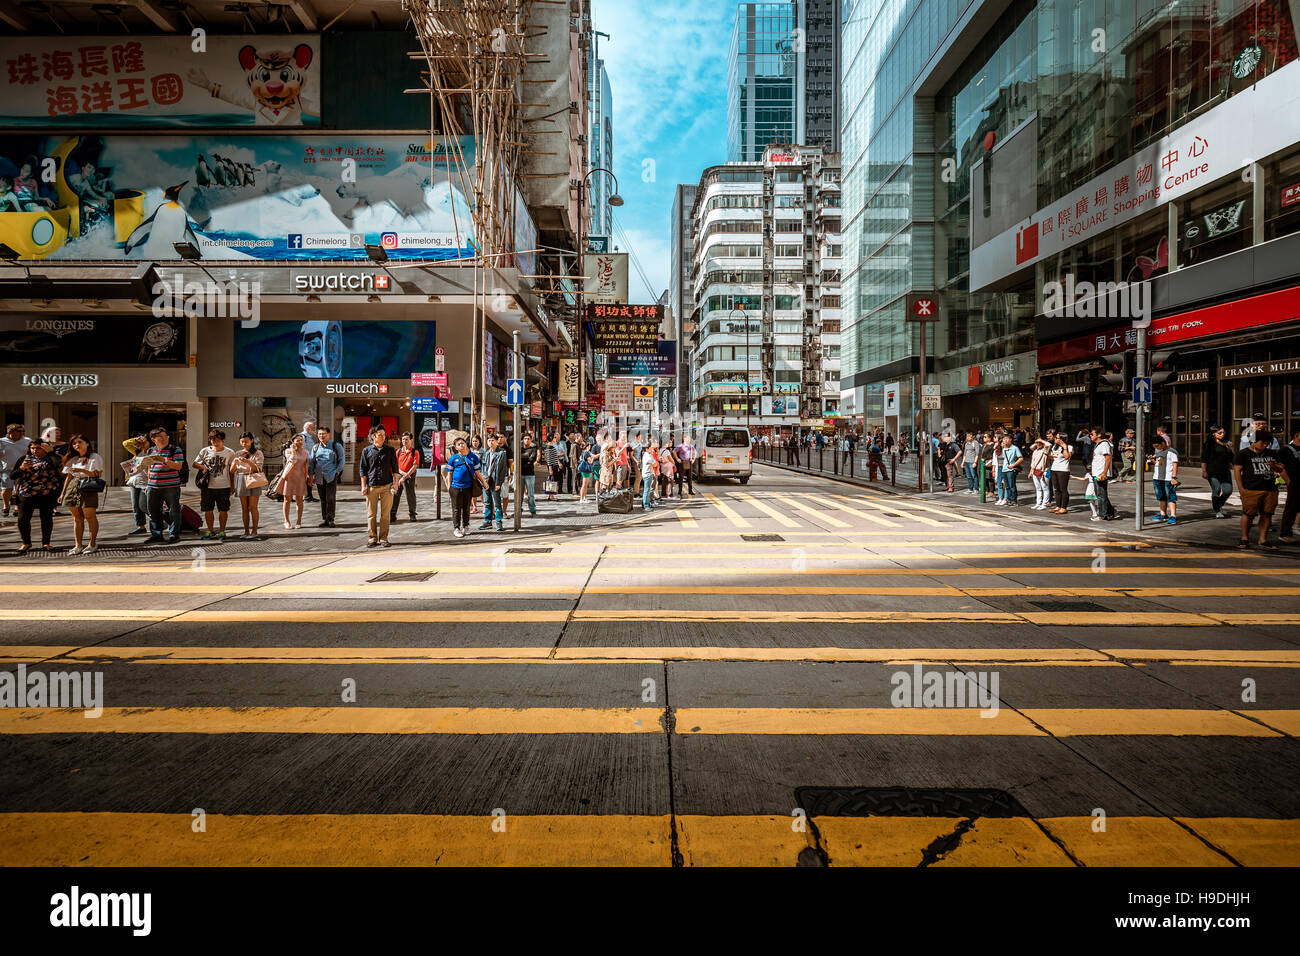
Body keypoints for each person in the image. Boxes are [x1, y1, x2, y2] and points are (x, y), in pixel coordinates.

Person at [1234, 430, 1285, 549]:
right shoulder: (1243, 454)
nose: (1265, 445)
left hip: (1270, 488)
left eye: (1268, 443)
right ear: (1254, 441)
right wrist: (1241, 489)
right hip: (1251, 488)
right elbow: (1237, 471)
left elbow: (1280, 469)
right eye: (1263, 442)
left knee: (1267, 514)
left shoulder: (1272, 453)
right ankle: (1244, 538)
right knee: (1248, 514)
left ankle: (1263, 539)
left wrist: (1273, 465)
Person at [14, 436, 61, 552]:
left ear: (45, 448)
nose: (35, 450)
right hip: (26, 493)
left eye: (38, 448)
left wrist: (51, 452)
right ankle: (26, 543)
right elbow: (12, 476)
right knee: (22, 519)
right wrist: (21, 468)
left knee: (46, 519)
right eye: (33, 448)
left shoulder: (51, 458)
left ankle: (46, 543)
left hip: (47, 494)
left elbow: (58, 464)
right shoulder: (24, 459)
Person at [59, 434, 103, 554]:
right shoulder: (72, 458)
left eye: (80, 442)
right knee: (77, 518)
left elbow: (98, 474)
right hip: (73, 486)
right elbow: (68, 477)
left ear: (87, 443)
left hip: (88, 486)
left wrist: (82, 471)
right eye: (74, 443)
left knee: (90, 516)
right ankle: (78, 545)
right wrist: (62, 493)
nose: (76, 445)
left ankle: (92, 544)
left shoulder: (95, 457)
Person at [359, 425, 398, 547]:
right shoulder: (366, 451)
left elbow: (395, 468)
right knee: (371, 514)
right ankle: (372, 538)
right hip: (372, 486)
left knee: (385, 514)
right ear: (373, 436)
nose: (383, 437)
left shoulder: (390, 450)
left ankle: (383, 538)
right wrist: (363, 486)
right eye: (380, 434)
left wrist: (396, 483)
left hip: (387, 486)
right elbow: (363, 470)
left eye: (384, 435)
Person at [144, 427, 186, 543]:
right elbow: (149, 468)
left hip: (171, 486)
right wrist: (148, 484)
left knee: (173, 511)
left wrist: (164, 460)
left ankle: (174, 535)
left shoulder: (175, 449)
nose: (163, 439)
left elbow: (178, 466)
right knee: (153, 511)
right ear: (153, 439)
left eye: (165, 436)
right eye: (160, 437)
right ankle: (157, 535)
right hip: (153, 486)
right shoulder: (150, 451)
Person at [193, 428, 236, 541]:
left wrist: (232, 486)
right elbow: (195, 463)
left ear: (222, 440)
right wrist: (203, 467)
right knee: (208, 509)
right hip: (207, 486)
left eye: (217, 440)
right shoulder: (205, 451)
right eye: (212, 440)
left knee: (223, 510)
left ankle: (222, 531)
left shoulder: (230, 452)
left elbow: (231, 471)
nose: (214, 442)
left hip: (224, 486)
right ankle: (210, 531)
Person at [443, 437, 485, 538]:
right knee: (456, 508)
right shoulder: (453, 458)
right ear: (456, 447)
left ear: (466, 444)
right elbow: (450, 474)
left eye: (462, 443)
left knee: (466, 508)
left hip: (468, 487)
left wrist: (484, 482)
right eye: (459, 444)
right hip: (455, 487)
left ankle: (466, 526)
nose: (461, 445)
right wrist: (449, 486)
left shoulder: (473, 457)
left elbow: (477, 472)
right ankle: (456, 528)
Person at [231, 433, 265, 539]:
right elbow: (232, 471)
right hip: (241, 479)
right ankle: (246, 531)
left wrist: (248, 462)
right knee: (244, 508)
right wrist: (235, 463)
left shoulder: (258, 453)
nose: (244, 443)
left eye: (246, 441)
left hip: (253, 479)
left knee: (252, 507)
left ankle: (254, 532)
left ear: (252, 440)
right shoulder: (238, 453)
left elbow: (258, 469)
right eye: (242, 441)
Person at [308, 426, 343, 528]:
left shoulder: (336, 446)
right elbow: (311, 462)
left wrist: (337, 471)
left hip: (331, 474)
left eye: (324, 434)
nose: (321, 436)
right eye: (319, 434)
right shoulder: (315, 447)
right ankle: (325, 519)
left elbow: (341, 459)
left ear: (329, 434)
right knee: (322, 498)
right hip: (319, 474)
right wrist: (310, 475)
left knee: (330, 498)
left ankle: (331, 519)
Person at [275, 433, 310, 530]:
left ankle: (299, 521)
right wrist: (293, 451)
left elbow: (307, 465)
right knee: (287, 500)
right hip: (289, 477)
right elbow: (292, 461)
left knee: (299, 500)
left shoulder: (306, 452)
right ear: (293, 442)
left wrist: (309, 477)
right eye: (297, 440)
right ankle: (286, 521)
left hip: (300, 478)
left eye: (301, 440)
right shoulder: (287, 451)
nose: (300, 441)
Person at [120, 433, 153, 535]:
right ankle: (141, 526)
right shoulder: (137, 452)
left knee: (143, 505)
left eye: (144, 442)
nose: (141, 444)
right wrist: (136, 439)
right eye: (140, 443)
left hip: (145, 482)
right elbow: (125, 444)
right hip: (133, 481)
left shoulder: (152, 453)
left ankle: (159, 520)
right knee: (135, 506)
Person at [1201, 425, 1235, 519]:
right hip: (1212, 472)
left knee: (1228, 491)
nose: (1222, 434)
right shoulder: (1208, 444)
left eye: (1223, 432)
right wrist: (1204, 471)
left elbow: (1232, 458)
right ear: (1213, 434)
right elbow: (1204, 459)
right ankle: (1217, 510)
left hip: (1225, 471)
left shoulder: (1227, 443)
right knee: (1216, 489)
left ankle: (1218, 504)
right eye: (1219, 433)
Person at [479, 433, 509, 531]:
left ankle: (499, 522)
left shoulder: (501, 453)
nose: (490, 442)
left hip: (495, 481)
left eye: (492, 440)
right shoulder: (486, 453)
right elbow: (483, 467)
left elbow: (503, 470)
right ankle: (488, 521)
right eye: (489, 441)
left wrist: (499, 483)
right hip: (486, 481)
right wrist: (483, 481)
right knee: (487, 502)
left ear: (497, 442)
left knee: (497, 503)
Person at [1, 422, 31, 517]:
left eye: (15, 433)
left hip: (22, 468)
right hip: (7, 468)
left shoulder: (27, 441)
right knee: (6, 489)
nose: (12, 435)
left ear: (20, 433)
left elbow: (31, 453)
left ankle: (17, 507)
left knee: (19, 489)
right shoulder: (2, 441)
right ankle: (6, 505)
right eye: (10, 433)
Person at [1276, 428, 1300, 544]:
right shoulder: (1286, 450)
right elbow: (1281, 468)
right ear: (1297, 435)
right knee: (1291, 508)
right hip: (1294, 482)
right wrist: (1288, 481)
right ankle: (1285, 533)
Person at [390, 432, 421, 524]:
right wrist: (402, 474)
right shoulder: (398, 451)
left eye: (406, 439)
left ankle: (412, 514)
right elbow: (395, 465)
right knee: (395, 494)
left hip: (410, 475)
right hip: (399, 475)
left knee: (410, 495)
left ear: (411, 440)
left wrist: (406, 476)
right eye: (403, 439)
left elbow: (415, 465)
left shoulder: (414, 452)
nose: (404, 441)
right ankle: (392, 514)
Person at [1090, 427, 1117, 520]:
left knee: (1101, 494)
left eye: (1092, 434)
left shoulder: (1104, 444)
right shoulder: (1098, 444)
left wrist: (1104, 473)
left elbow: (1108, 458)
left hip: (1101, 472)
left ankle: (1103, 515)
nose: (1090, 436)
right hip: (1096, 472)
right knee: (1100, 494)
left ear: (1099, 435)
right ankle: (1110, 511)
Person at [1048, 432, 1073, 514]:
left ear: (1062, 439)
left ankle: (1064, 507)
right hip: (1054, 469)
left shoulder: (1069, 447)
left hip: (1063, 470)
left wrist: (1064, 447)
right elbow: (1053, 458)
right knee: (1056, 489)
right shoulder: (1055, 447)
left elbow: (1066, 457)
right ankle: (1058, 506)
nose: (1055, 439)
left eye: (1057, 438)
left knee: (1063, 489)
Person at [518, 432, 539, 517]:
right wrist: (526, 459)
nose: (527, 440)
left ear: (531, 440)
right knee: (519, 494)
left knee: (530, 494)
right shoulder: (519, 448)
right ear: (523, 440)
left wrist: (524, 458)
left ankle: (532, 509)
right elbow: (519, 458)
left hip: (530, 474)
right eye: (525, 439)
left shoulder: (533, 448)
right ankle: (519, 508)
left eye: (528, 439)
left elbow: (532, 458)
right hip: (520, 474)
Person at [998, 435, 1022, 506]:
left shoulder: (1015, 448)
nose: (1005, 440)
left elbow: (1021, 458)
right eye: (1004, 439)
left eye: (1006, 439)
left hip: (1011, 469)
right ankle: (1009, 499)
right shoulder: (1004, 449)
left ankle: (1014, 500)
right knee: (1007, 486)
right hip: (1004, 469)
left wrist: (1013, 465)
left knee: (1012, 485)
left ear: (1010, 439)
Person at [1028, 438, 1051, 510]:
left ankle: (1044, 504)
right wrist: (1031, 471)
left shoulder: (1045, 450)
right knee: (1038, 488)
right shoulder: (1035, 451)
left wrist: (1041, 440)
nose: (1038, 444)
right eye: (1036, 443)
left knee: (1045, 488)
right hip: (1035, 471)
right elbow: (1033, 462)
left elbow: (1049, 444)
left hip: (1044, 471)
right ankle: (1038, 503)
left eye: (1039, 443)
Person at [299, 421, 318, 501]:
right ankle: (306, 496)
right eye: (312, 428)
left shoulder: (309, 437)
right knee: (306, 478)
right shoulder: (303, 437)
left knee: (310, 478)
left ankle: (309, 495)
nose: (314, 429)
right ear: (308, 428)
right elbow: (302, 450)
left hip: (310, 461)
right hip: (306, 461)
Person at [469, 434, 486, 515]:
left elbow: (484, 463)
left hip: (480, 473)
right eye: (473, 441)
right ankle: (474, 507)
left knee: (482, 490)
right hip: (471, 474)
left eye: (476, 441)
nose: (474, 443)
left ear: (479, 442)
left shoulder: (483, 451)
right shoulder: (469, 451)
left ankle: (483, 506)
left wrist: (481, 473)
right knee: (473, 490)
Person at [641, 440, 659, 510]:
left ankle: (645, 503)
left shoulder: (647, 455)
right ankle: (646, 505)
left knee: (647, 490)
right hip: (648, 475)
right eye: (650, 448)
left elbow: (655, 463)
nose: (652, 449)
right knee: (647, 490)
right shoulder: (647, 456)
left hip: (648, 474)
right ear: (647, 449)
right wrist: (655, 463)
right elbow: (655, 464)